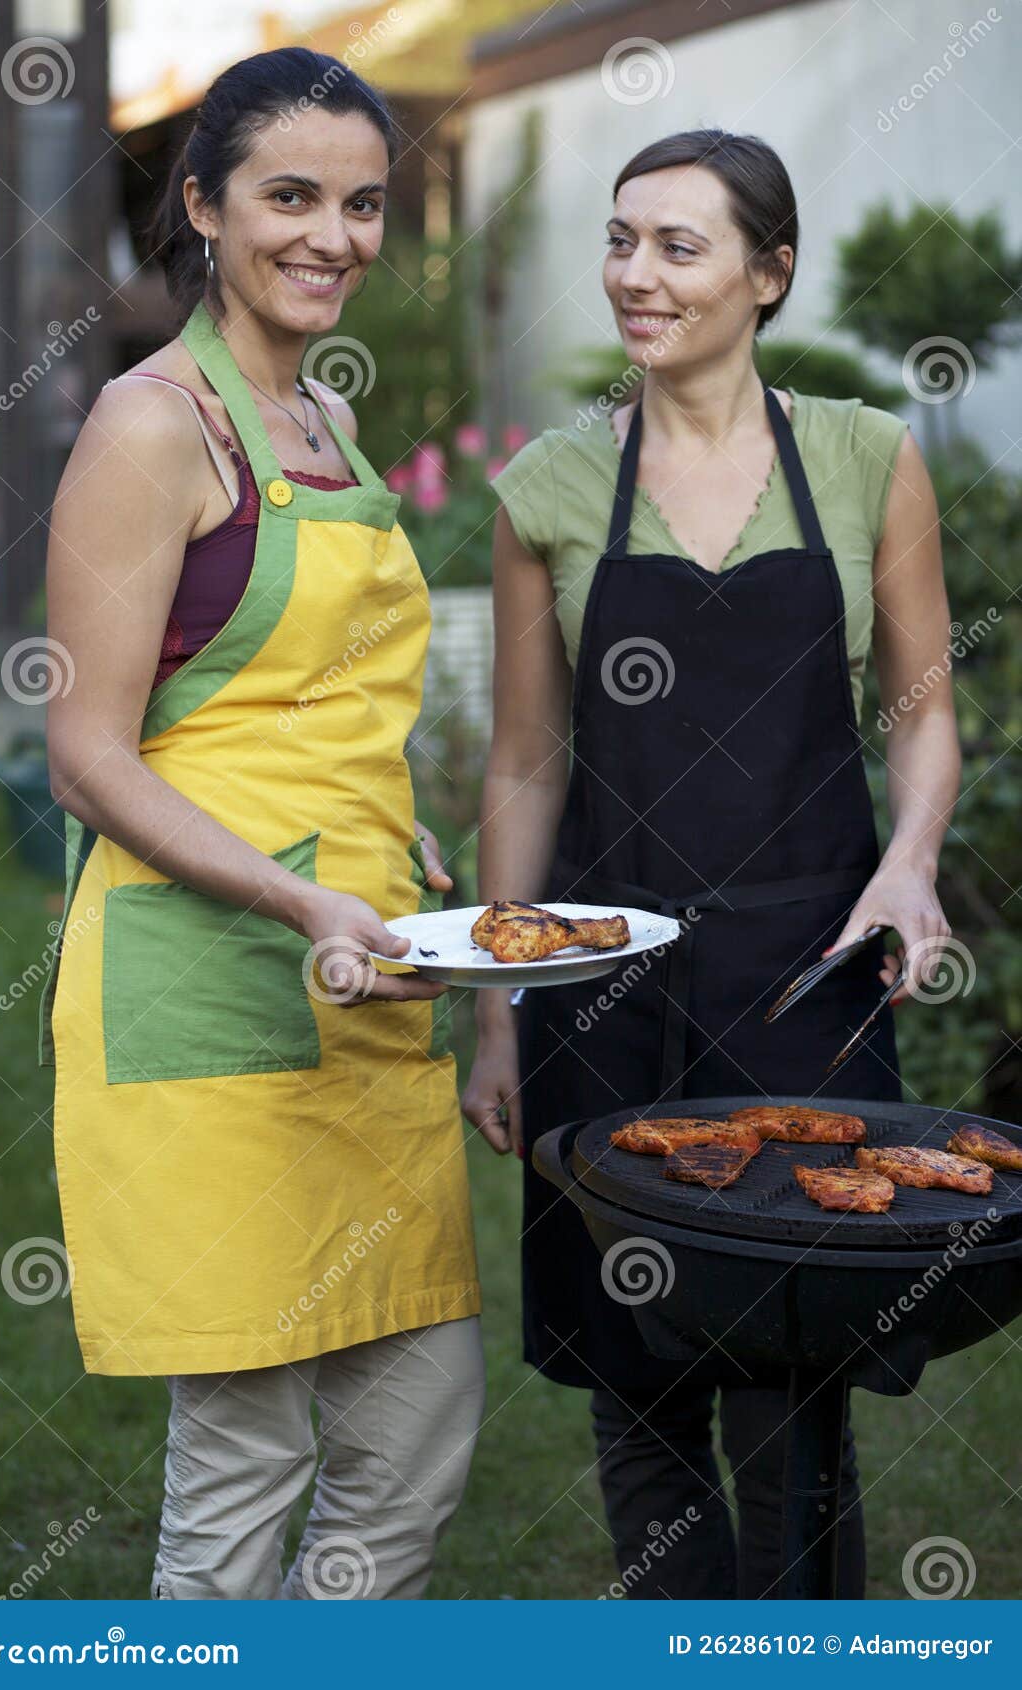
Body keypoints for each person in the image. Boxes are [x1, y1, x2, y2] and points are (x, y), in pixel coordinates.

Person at [462, 129, 959, 1599]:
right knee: (641, 1380)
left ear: (769, 274)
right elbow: (524, 764)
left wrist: (916, 859)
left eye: (678, 246)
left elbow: (924, 717)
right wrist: (498, 1003)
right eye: (621, 241)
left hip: (808, 975)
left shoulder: (867, 457)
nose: (634, 274)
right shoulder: (545, 487)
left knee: (793, 1370)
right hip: (603, 990)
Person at [39, 47, 483, 1601]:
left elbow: (309, 714)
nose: (334, 236)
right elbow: (89, 755)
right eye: (289, 196)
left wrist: (398, 843)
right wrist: (305, 903)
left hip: (371, 987)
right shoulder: (154, 429)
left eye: (362, 203)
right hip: (222, 983)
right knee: (241, 1474)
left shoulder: (324, 426)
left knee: (414, 1446)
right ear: (205, 206)